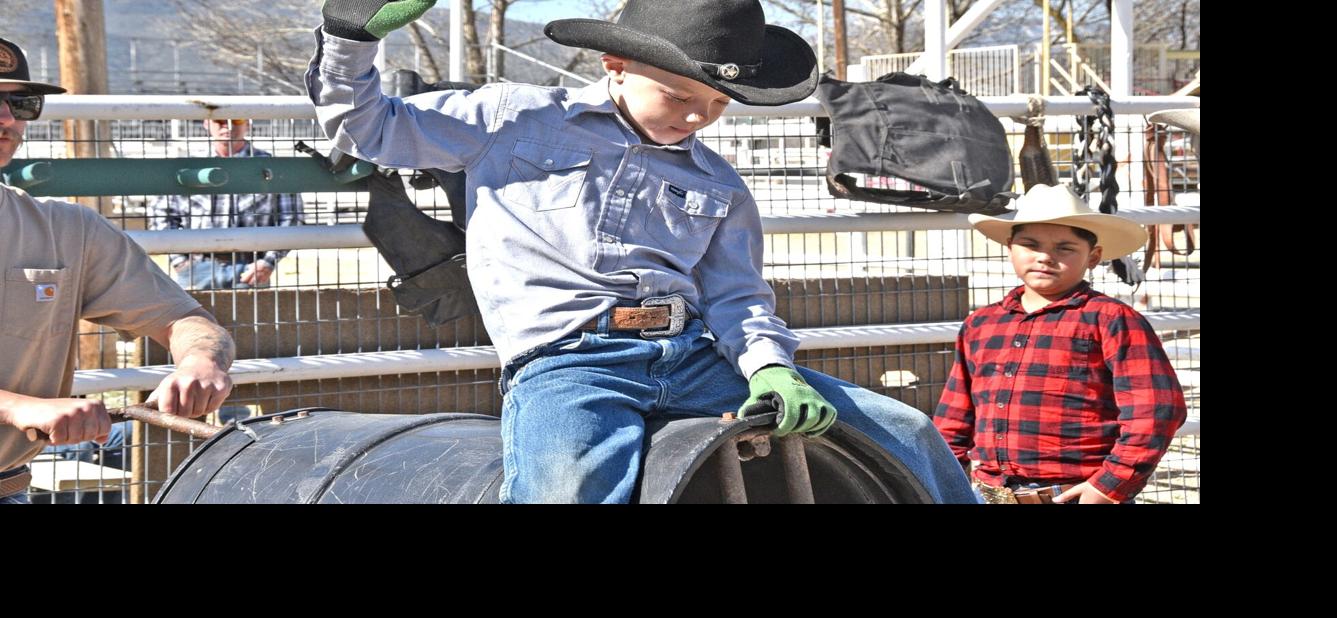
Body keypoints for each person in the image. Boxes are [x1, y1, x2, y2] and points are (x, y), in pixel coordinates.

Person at [308, 0, 975, 503]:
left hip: (695, 358)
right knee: (569, 485)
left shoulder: (717, 183)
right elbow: (369, 129)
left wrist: (771, 368)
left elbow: (737, 297)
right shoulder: (511, 118)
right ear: (615, 65)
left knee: (904, 427)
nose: (696, 117)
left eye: (717, 103)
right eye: (679, 95)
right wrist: (349, 39)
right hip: (571, 365)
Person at [1, 37, 237, 504]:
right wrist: (19, 407)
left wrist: (201, 362)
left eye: (21, 102)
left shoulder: (68, 230)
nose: (6, 118)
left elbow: (186, 321)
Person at [935, 184, 1185, 504]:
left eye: (1065, 248)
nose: (1045, 257)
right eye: (1030, 244)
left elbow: (1157, 409)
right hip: (988, 494)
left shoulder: (1110, 319)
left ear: (1092, 257)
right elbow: (954, 416)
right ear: (1010, 247)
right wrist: (946, 481)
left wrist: (1109, 486)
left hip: (1077, 494)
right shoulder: (982, 324)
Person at [148, 117, 305, 290]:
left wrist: (267, 262)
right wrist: (180, 262)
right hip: (197, 266)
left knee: (252, 317)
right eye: (220, 120)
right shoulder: (188, 166)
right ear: (207, 124)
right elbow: (161, 212)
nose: (228, 126)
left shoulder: (271, 167)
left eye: (236, 120)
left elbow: (292, 219)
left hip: (251, 268)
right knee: (192, 318)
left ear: (248, 124)